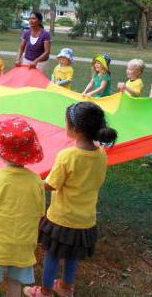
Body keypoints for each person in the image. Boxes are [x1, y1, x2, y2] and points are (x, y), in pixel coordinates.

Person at [23, 102, 118, 297]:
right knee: (73, 256)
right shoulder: (101, 154)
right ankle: (66, 288)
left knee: (53, 255)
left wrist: (33, 182)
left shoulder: (67, 156)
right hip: (85, 220)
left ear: (75, 129)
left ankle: (45, 291)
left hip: (62, 219)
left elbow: (52, 184)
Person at [0, 118, 45, 297]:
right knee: (15, 283)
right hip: (23, 244)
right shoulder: (37, 181)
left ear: (1, 151)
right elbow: (40, 212)